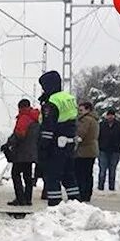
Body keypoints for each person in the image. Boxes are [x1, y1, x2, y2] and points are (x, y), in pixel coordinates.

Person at [37, 70, 80, 206]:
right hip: (69, 143)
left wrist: (43, 147)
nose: (43, 89)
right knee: (69, 175)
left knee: (52, 176)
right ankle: (75, 204)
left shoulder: (52, 101)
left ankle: (54, 205)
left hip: (56, 144)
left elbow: (48, 127)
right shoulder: (69, 98)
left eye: (44, 86)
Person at [5, 99, 40, 206]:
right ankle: (28, 199)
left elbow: (19, 134)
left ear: (20, 107)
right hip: (31, 153)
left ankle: (20, 199)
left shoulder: (24, 118)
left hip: (21, 152)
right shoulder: (35, 117)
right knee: (28, 176)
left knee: (15, 174)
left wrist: (8, 143)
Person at [74, 102, 99, 202]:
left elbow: (80, 133)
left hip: (83, 151)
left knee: (80, 174)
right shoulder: (94, 120)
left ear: (87, 110)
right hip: (91, 150)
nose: (79, 113)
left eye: (81, 110)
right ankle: (87, 194)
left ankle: (81, 194)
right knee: (88, 174)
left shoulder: (85, 120)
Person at [97, 108, 120, 191]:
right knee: (102, 170)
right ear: (106, 116)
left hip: (115, 151)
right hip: (103, 150)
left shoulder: (119, 125)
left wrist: (119, 145)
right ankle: (100, 186)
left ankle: (111, 187)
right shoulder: (101, 125)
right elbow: (97, 136)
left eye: (112, 115)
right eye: (109, 115)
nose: (110, 117)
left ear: (114, 116)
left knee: (112, 170)